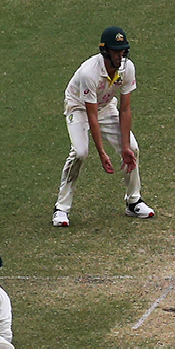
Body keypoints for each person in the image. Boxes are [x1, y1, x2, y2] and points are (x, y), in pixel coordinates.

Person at [53, 26, 155, 227]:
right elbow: (91, 116)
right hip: (79, 107)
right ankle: (61, 209)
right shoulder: (88, 73)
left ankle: (133, 201)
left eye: (123, 50)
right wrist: (102, 153)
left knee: (132, 148)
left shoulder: (128, 68)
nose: (121, 55)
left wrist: (124, 146)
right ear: (105, 51)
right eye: (116, 51)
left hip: (106, 105)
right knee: (80, 152)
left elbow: (125, 109)